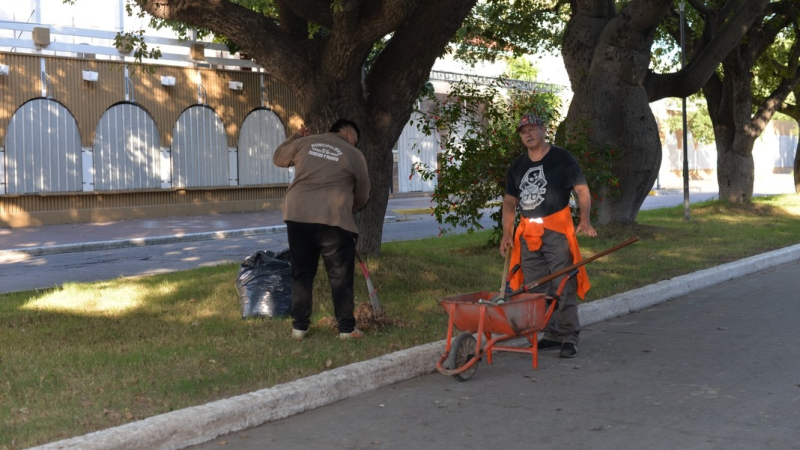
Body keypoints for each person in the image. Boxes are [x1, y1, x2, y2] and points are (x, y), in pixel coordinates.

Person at [499, 113, 597, 358]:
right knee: (536, 288)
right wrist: (507, 233)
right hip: (528, 233)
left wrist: (584, 219)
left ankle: (569, 337)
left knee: (563, 285)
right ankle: (551, 334)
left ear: (543, 129)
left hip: (555, 231)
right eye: (523, 132)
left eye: (532, 129)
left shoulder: (561, 158)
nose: (528, 135)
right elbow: (510, 201)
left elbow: (581, 189)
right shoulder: (518, 165)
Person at [273, 118, 370, 341]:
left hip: (298, 215)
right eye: (355, 140)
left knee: (301, 273)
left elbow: (278, 157)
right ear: (348, 134)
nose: (355, 144)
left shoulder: (305, 143)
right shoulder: (354, 154)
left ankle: (299, 328)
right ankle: (346, 329)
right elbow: (363, 193)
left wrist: (296, 136)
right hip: (334, 218)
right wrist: (348, 208)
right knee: (339, 276)